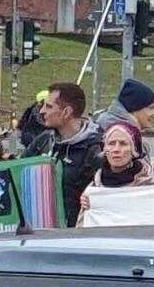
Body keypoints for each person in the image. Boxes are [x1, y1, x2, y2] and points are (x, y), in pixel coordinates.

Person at [28, 81, 103, 227]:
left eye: (48, 106)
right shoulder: (44, 141)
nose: (42, 111)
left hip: (78, 234)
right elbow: (18, 171)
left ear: (66, 112)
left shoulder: (96, 148)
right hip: (41, 231)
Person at [96, 120, 152, 188]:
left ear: (133, 149)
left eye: (123, 144)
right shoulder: (94, 183)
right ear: (104, 148)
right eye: (111, 143)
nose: (116, 149)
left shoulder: (150, 185)